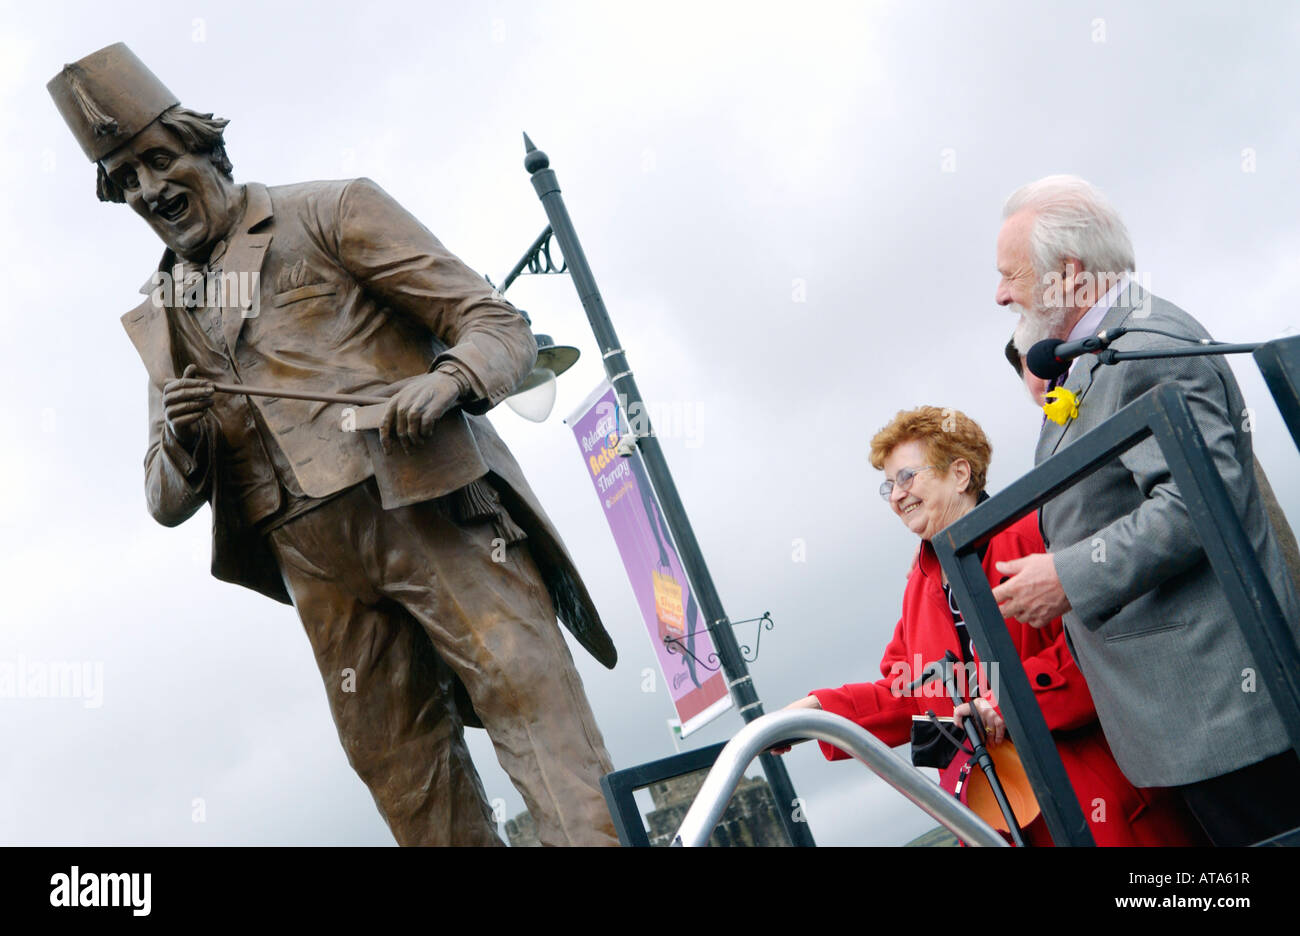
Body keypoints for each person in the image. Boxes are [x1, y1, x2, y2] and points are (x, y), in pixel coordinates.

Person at [49, 42, 618, 845]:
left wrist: (448, 380)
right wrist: (182, 440)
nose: (147, 189)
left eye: (156, 160)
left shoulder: (332, 208)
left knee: (529, 700)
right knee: (400, 769)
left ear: (206, 148)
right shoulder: (162, 312)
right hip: (315, 566)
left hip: (430, 506)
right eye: (126, 183)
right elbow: (163, 499)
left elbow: (496, 324)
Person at [992, 174, 1300, 846]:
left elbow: (1198, 501)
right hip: (1193, 721)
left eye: (1010, 276)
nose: (1002, 294)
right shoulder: (1101, 355)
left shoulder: (1144, 345)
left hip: (1229, 714)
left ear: (1069, 274)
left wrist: (1067, 576)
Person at [783, 406, 1202, 845]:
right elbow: (908, 690)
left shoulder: (1034, 531)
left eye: (906, 477)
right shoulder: (919, 585)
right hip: (995, 818)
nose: (895, 495)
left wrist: (1002, 704)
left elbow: (1099, 646)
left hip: (1090, 799)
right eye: (888, 485)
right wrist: (817, 710)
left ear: (960, 473)